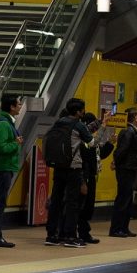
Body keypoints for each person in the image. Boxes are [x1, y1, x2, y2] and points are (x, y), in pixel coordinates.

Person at [43, 98, 90, 248]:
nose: (84, 111)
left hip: (58, 166)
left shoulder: (59, 122)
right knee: (72, 202)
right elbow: (91, 141)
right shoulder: (79, 125)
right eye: (83, 109)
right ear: (78, 111)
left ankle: (51, 235)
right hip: (73, 168)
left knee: (56, 200)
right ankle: (70, 236)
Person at [0, 93, 23, 248]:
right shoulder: (3, 124)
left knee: (1, 201)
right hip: (3, 167)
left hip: (6, 166)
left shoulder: (8, 123)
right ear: (12, 106)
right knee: (0, 202)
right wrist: (16, 144)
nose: (20, 106)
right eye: (19, 104)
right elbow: (0, 147)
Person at [78, 111, 114, 245]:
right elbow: (92, 150)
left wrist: (110, 144)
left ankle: (84, 232)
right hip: (84, 176)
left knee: (88, 206)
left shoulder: (88, 140)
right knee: (83, 206)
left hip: (91, 175)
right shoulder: (83, 140)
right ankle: (80, 233)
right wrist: (103, 125)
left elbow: (99, 154)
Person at [108, 108, 137, 238]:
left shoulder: (132, 131)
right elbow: (122, 150)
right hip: (126, 169)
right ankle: (116, 228)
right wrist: (116, 162)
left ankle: (123, 227)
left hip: (129, 168)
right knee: (123, 198)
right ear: (134, 117)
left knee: (127, 199)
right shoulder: (128, 132)